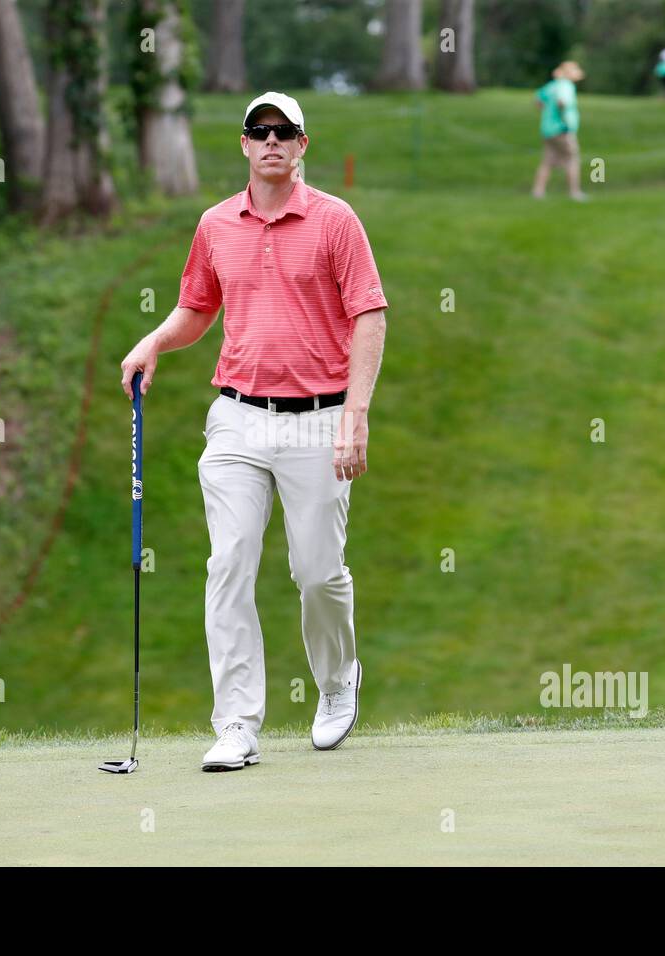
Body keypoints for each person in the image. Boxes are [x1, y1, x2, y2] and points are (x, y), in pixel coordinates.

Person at [119, 92, 389, 772]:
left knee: (316, 573)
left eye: (284, 132)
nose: (271, 141)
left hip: (319, 419)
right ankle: (236, 725)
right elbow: (195, 308)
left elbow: (369, 317)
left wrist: (356, 414)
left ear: (303, 144)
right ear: (243, 145)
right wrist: (153, 342)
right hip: (237, 417)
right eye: (258, 131)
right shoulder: (215, 225)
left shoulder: (336, 221)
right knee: (229, 564)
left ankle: (336, 684)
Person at [531, 60, 587, 202]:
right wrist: (563, 119)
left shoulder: (551, 86)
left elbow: (538, 101)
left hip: (547, 130)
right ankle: (574, 192)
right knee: (571, 159)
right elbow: (562, 102)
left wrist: (549, 113)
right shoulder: (566, 86)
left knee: (548, 161)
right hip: (562, 130)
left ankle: (538, 191)